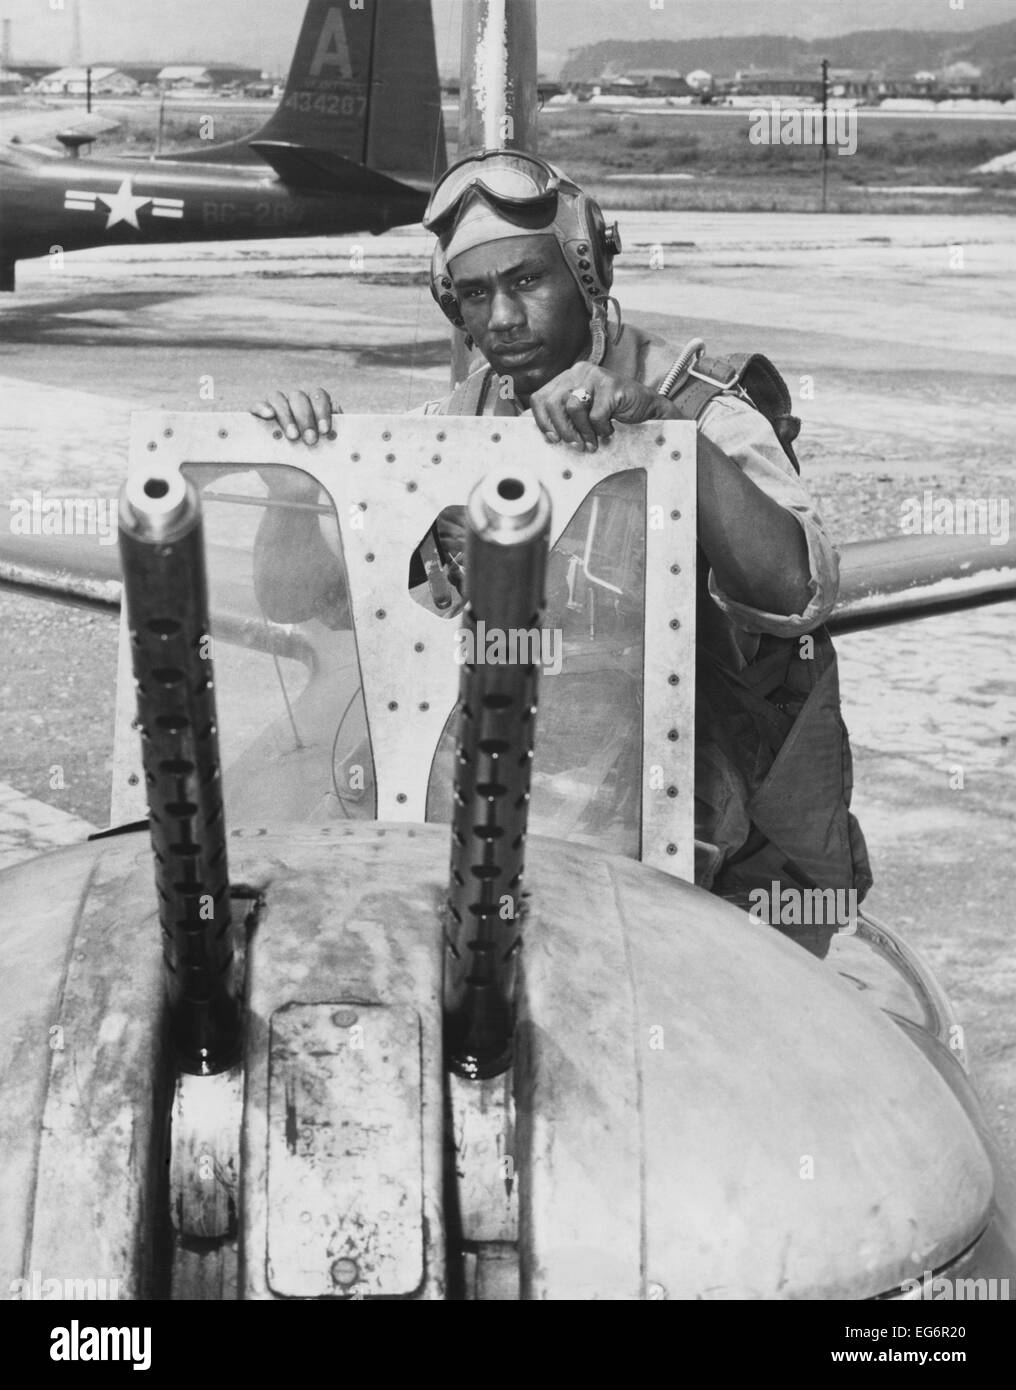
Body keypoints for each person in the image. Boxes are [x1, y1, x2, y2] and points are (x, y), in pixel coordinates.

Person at [251, 150, 871, 918]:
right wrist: (291, 489)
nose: (501, 319)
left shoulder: (695, 404)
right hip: (500, 805)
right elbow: (295, 601)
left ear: (585, 274)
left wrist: (657, 432)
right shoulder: (456, 428)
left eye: (526, 281)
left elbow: (797, 593)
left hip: (683, 824)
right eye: (474, 294)